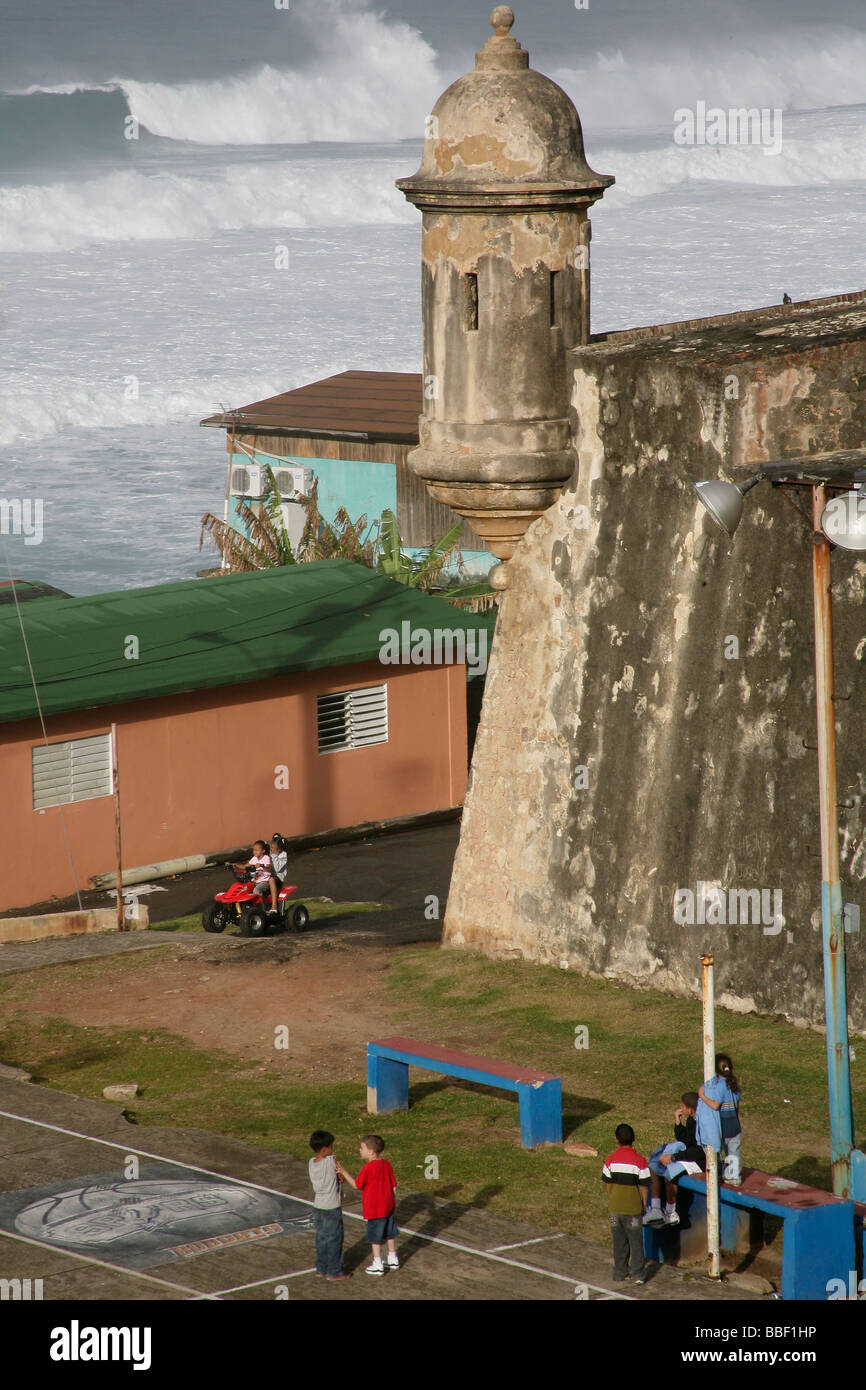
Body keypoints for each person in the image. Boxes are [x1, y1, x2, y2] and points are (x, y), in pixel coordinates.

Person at [336, 1135, 398, 1276]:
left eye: (362, 1147)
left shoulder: (368, 1168)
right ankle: (392, 1257)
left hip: (375, 1209)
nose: (360, 1150)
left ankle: (377, 1263)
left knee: (375, 1236)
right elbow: (394, 1186)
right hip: (388, 1206)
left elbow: (357, 1185)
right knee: (390, 1233)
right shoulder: (387, 1164)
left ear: (371, 1151)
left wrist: (343, 1171)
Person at [643, 1092, 705, 1226]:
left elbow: (698, 1152)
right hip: (686, 1155)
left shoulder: (702, 1123)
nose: (681, 1108)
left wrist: (673, 1157)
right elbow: (684, 1140)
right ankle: (656, 1209)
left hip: (697, 1161)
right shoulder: (691, 1119)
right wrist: (678, 1122)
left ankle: (671, 1213)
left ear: (690, 1108)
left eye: (683, 1106)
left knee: (669, 1172)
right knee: (654, 1166)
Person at [601, 1123, 650, 1283]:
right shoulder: (640, 1162)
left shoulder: (610, 1161)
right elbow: (644, 1187)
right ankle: (638, 1274)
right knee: (635, 1242)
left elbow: (607, 1188)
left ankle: (619, 1272)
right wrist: (643, 1205)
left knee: (619, 1241)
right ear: (634, 1139)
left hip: (615, 1210)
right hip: (633, 1210)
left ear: (616, 1140)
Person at [308, 1129, 350, 1280]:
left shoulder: (311, 1163)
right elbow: (341, 1175)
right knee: (335, 1239)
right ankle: (335, 1270)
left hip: (318, 1206)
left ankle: (321, 1268)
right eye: (331, 1146)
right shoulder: (332, 1160)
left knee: (321, 1238)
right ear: (325, 1148)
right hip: (332, 1206)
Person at [698, 1052, 742, 1186]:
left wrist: (702, 1096)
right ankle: (734, 1177)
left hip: (721, 1126)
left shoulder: (720, 1086)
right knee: (733, 1152)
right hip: (734, 1125)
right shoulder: (734, 1085)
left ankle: (717, 1174)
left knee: (716, 1151)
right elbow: (737, 1107)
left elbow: (715, 1105)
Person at [232, 840, 277, 914]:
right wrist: (235, 865)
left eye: (257, 850)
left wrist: (261, 865)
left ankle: (265, 909)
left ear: (263, 851)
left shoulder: (266, 858)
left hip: (264, 881)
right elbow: (244, 866)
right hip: (254, 881)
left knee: (257, 890)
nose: (255, 852)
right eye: (254, 850)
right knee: (243, 889)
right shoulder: (254, 859)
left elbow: (268, 867)